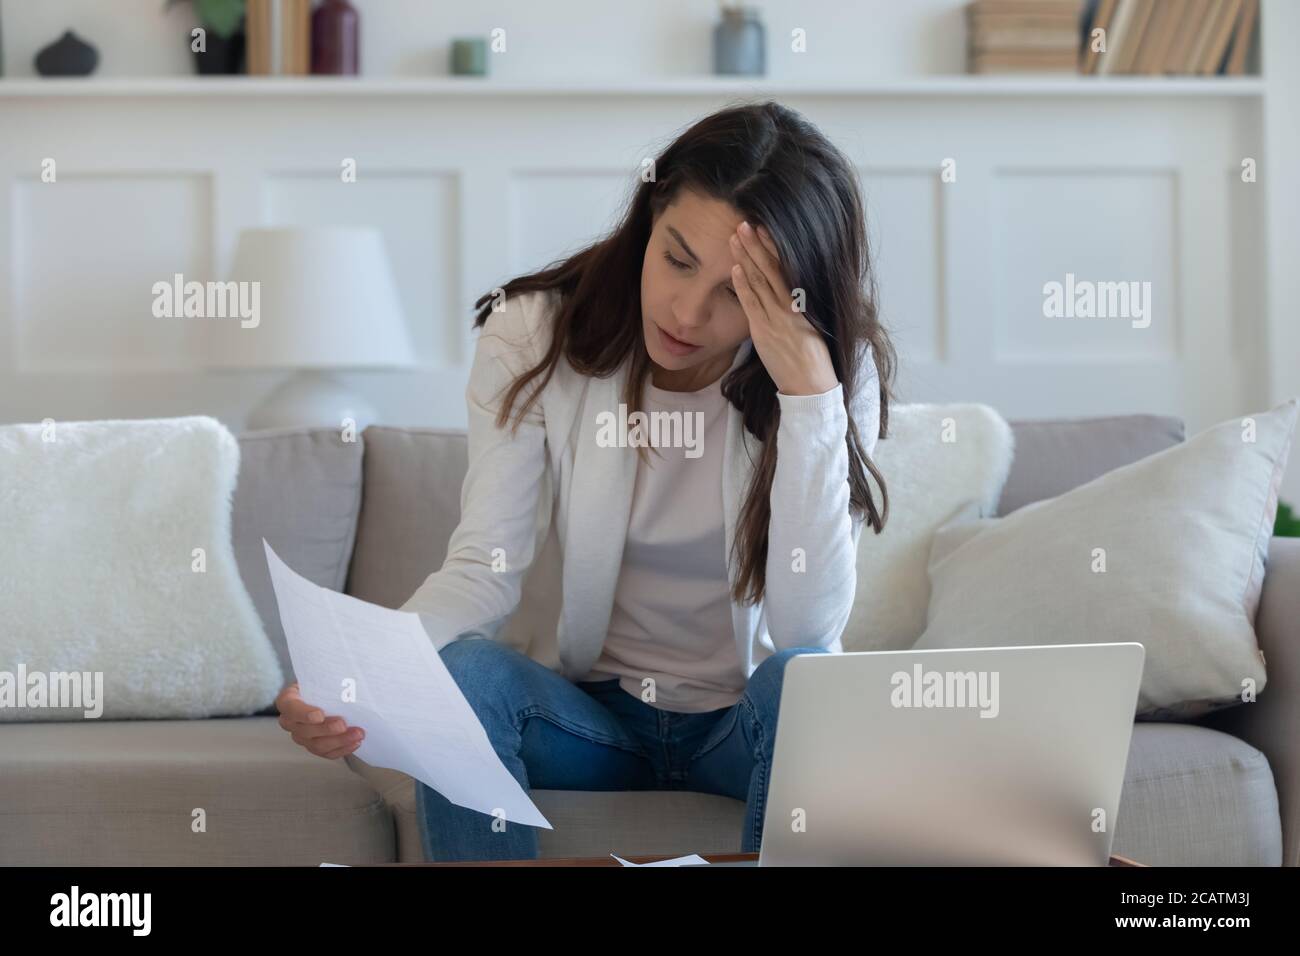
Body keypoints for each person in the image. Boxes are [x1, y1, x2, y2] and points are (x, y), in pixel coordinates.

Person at [277, 100, 896, 861]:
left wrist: (809, 400)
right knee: (464, 675)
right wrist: (356, 677)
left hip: (743, 722)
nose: (687, 312)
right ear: (649, 215)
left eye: (737, 293)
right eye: (676, 259)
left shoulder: (832, 371)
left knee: (803, 685)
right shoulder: (534, 334)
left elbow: (808, 633)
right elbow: (481, 573)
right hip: (594, 720)